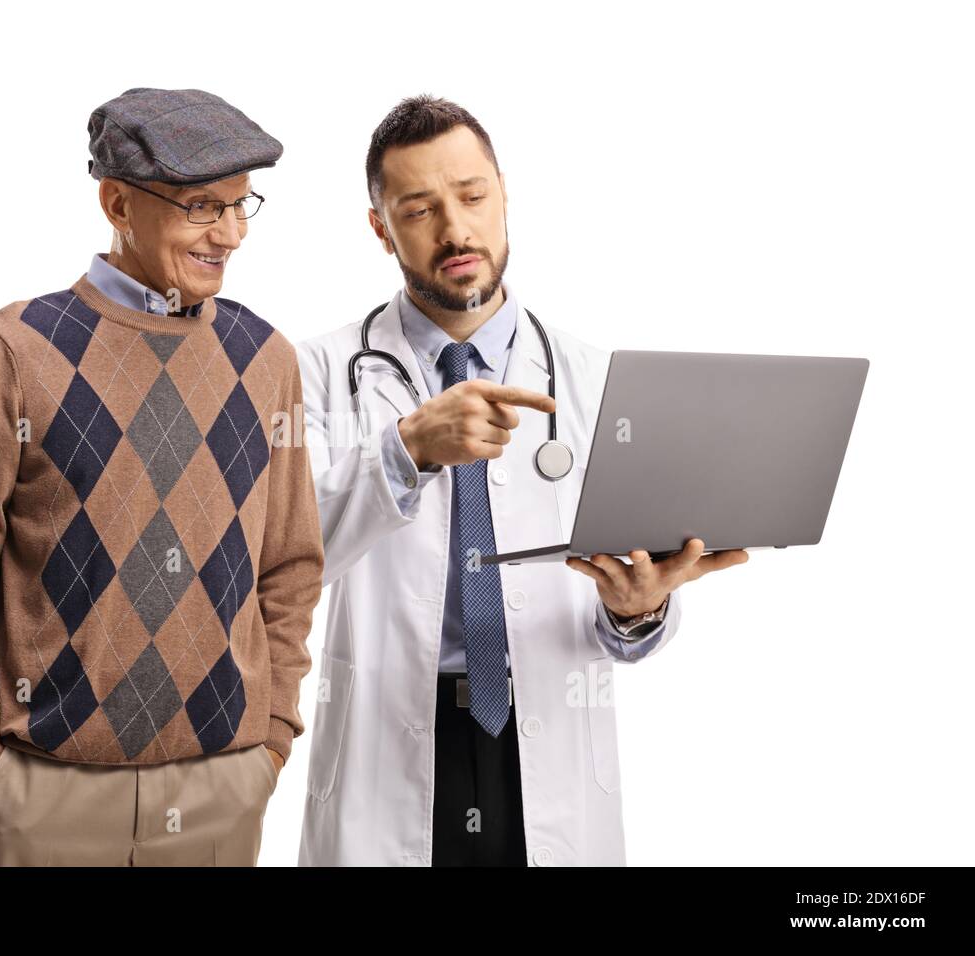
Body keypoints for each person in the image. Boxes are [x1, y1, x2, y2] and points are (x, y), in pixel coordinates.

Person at [296, 95, 749, 866]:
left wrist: (637, 612)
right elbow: (288, 557)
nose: (456, 231)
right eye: (420, 209)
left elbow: (621, 613)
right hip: (391, 740)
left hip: (547, 736)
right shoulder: (316, 372)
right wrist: (405, 450)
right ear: (380, 229)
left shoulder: (596, 380)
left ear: (505, 194)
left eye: (472, 197)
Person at [0, 87, 323, 866]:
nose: (230, 235)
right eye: (205, 206)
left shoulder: (266, 360)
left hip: (218, 792)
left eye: (242, 207)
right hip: (45, 789)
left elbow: (291, 566)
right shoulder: (20, 348)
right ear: (118, 203)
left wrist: (269, 740)